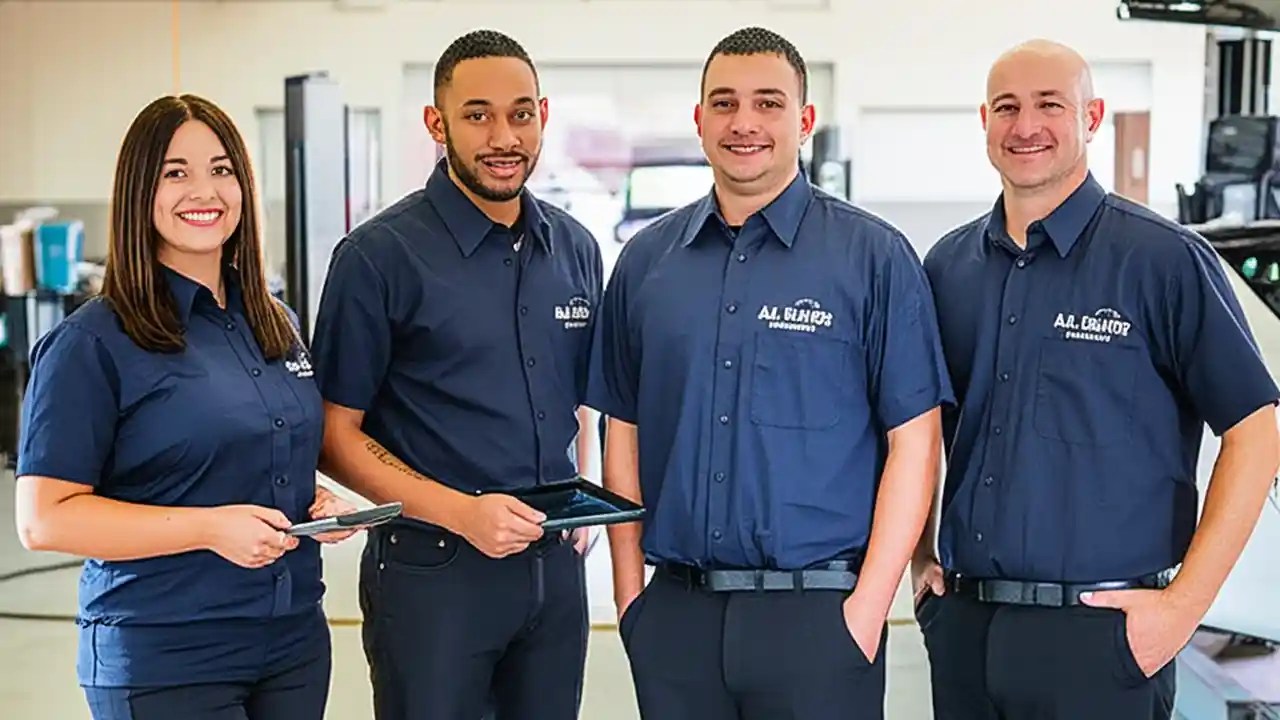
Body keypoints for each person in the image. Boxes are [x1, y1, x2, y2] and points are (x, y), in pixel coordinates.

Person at [586, 26, 953, 719]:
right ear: (699, 121)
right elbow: (622, 429)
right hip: (676, 618)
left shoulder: (873, 258)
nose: (744, 122)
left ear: (805, 120)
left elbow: (915, 442)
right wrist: (630, 593)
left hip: (819, 619)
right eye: (723, 104)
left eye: (768, 103)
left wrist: (868, 609)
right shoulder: (646, 262)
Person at [913, 38, 1280, 720]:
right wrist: (918, 556)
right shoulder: (947, 268)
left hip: (1102, 637)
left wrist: (1181, 610)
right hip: (965, 629)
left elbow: (1257, 433)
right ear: (985, 121)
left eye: (1049, 104)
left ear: (1092, 116)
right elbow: (917, 427)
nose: (1026, 126)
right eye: (1007, 108)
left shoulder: (1164, 261)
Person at [13, 94, 358, 720]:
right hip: (166, 652)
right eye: (177, 172)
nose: (205, 190)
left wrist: (315, 502)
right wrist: (209, 527)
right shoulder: (92, 342)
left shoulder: (272, 322)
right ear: (140, 191)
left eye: (222, 170)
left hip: (292, 642)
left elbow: (260, 451)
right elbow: (44, 519)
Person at [310, 29, 602, 720]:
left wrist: (582, 498)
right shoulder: (378, 258)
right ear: (436, 124)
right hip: (433, 572)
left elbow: (580, 400)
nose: (503, 135)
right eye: (477, 115)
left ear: (543, 116)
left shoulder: (576, 248)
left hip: (554, 571)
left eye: (520, 113)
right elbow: (333, 434)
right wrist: (461, 514)